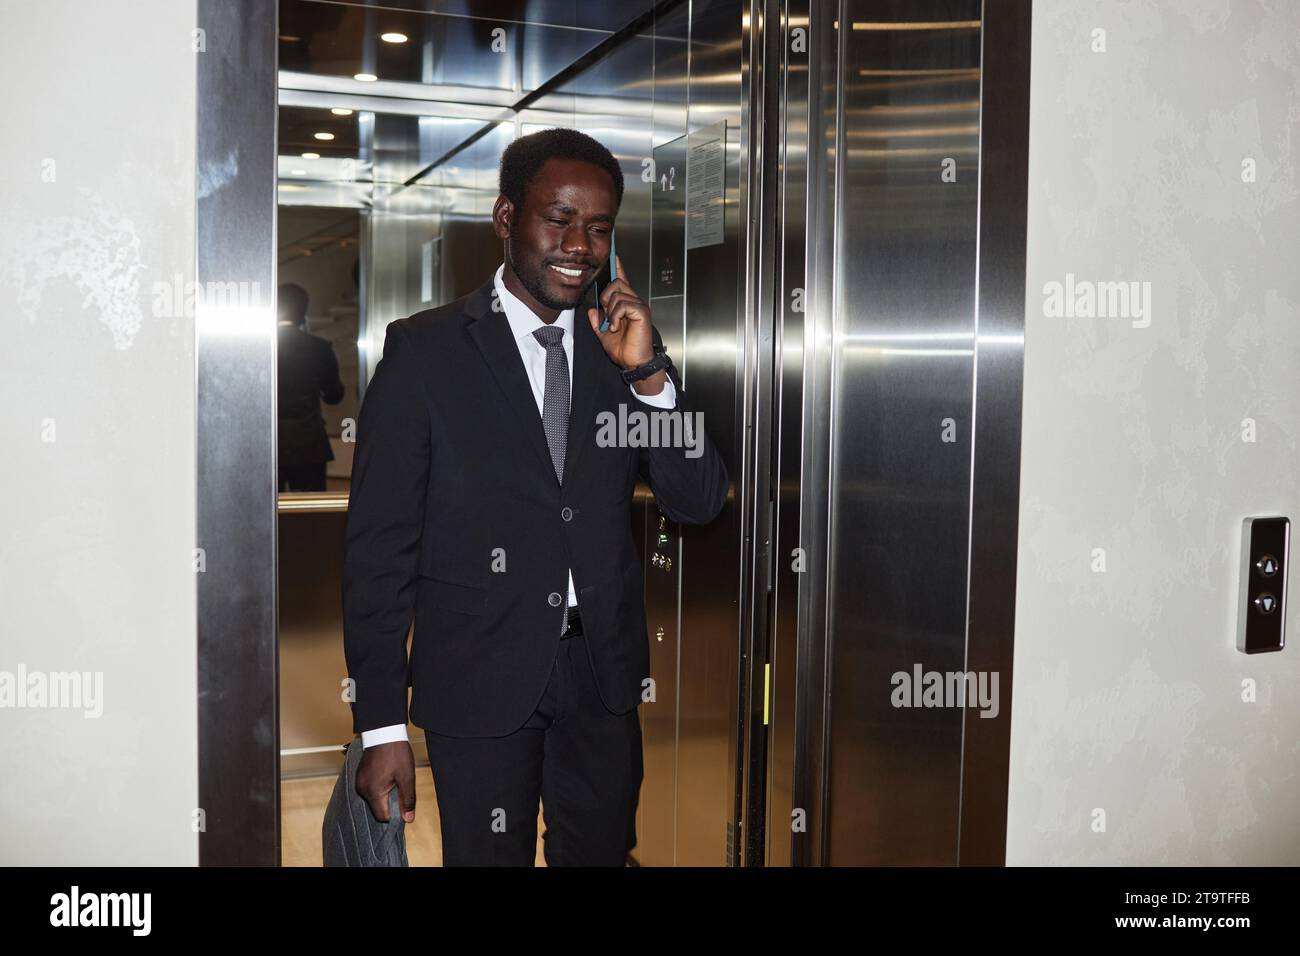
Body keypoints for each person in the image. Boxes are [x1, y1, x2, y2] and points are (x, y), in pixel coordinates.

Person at [342, 127, 728, 866]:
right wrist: (381, 727)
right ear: (506, 217)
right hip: (479, 679)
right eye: (558, 219)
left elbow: (699, 499)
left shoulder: (623, 349)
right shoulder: (425, 354)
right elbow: (378, 552)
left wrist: (649, 378)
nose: (579, 244)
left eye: (598, 227)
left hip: (602, 678)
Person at [276, 282, 345, 491]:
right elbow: (334, 396)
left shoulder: (258, 347)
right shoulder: (320, 348)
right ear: (304, 310)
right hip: (309, 443)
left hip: (270, 441)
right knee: (310, 513)